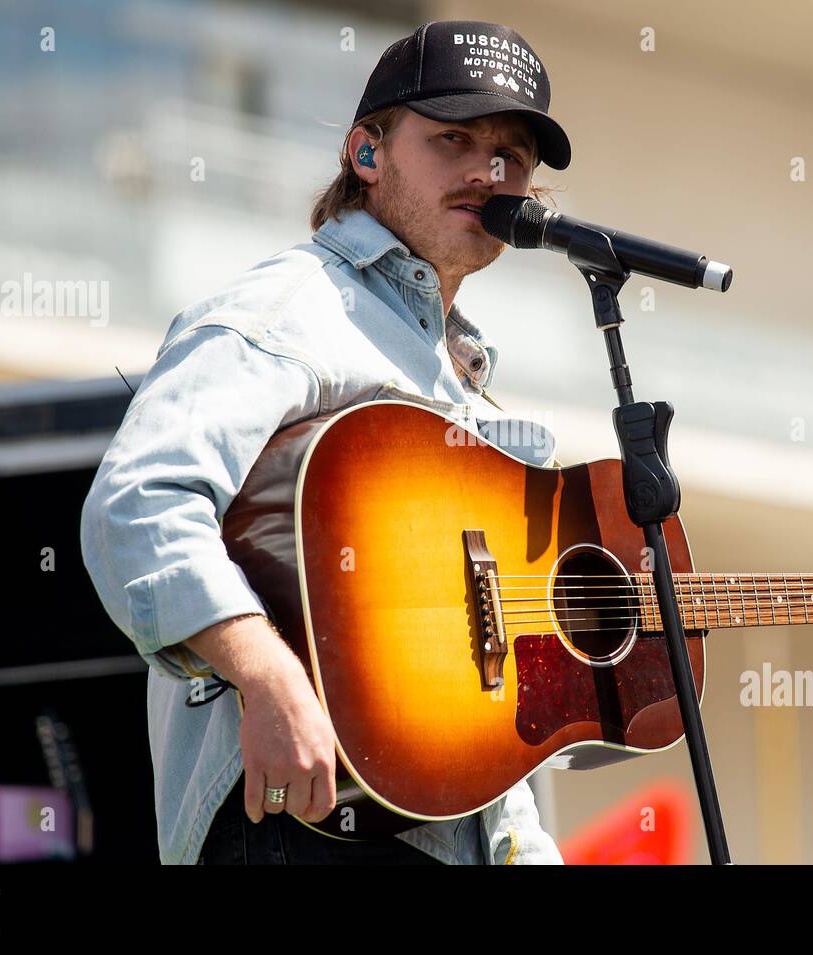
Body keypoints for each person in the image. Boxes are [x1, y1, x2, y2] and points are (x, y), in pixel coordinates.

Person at [80, 19, 572, 865]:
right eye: (452, 137)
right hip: (301, 825)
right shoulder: (292, 310)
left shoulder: (464, 377)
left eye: (512, 155)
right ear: (366, 153)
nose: (487, 171)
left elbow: (482, 683)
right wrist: (267, 675)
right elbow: (137, 504)